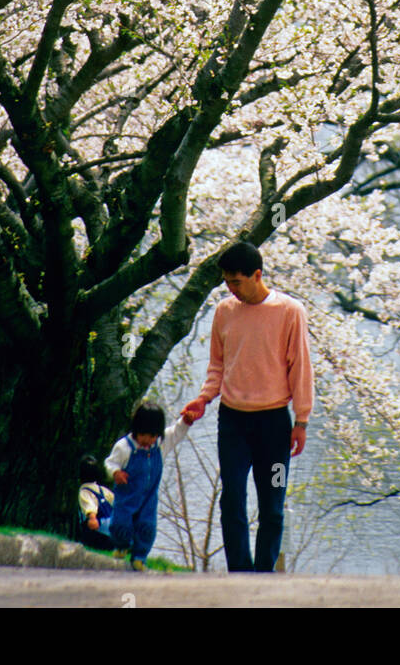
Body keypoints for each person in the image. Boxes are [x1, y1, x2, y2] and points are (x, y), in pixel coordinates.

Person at [183, 241, 313, 573]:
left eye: (236, 281)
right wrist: (203, 398)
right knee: (233, 499)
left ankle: (264, 573)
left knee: (273, 503)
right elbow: (217, 366)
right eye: (227, 282)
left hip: (274, 424)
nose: (231, 289)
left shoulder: (289, 311)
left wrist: (302, 420)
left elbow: (300, 367)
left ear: (257, 275)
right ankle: (239, 573)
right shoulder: (224, 311)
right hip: (233, 422)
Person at [104, 401, 192, 570]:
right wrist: (115, 472)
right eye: (145, 435)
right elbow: (110, 463)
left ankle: (139, 557)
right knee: (121, 523)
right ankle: (122, 546)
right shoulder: (124, 447)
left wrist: (186, 421)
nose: (149, 441)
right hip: (127, 496)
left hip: (148, 498)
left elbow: (175, 433)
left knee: (147, 526)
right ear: (136, 430)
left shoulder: (159, 445)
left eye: (153, 437)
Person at [77, 454, 115, 551]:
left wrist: (92, 518)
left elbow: (90, 506)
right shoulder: (103, 490)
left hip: (97, 533)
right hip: (111, 532)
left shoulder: (84, 492)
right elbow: (117, 503)